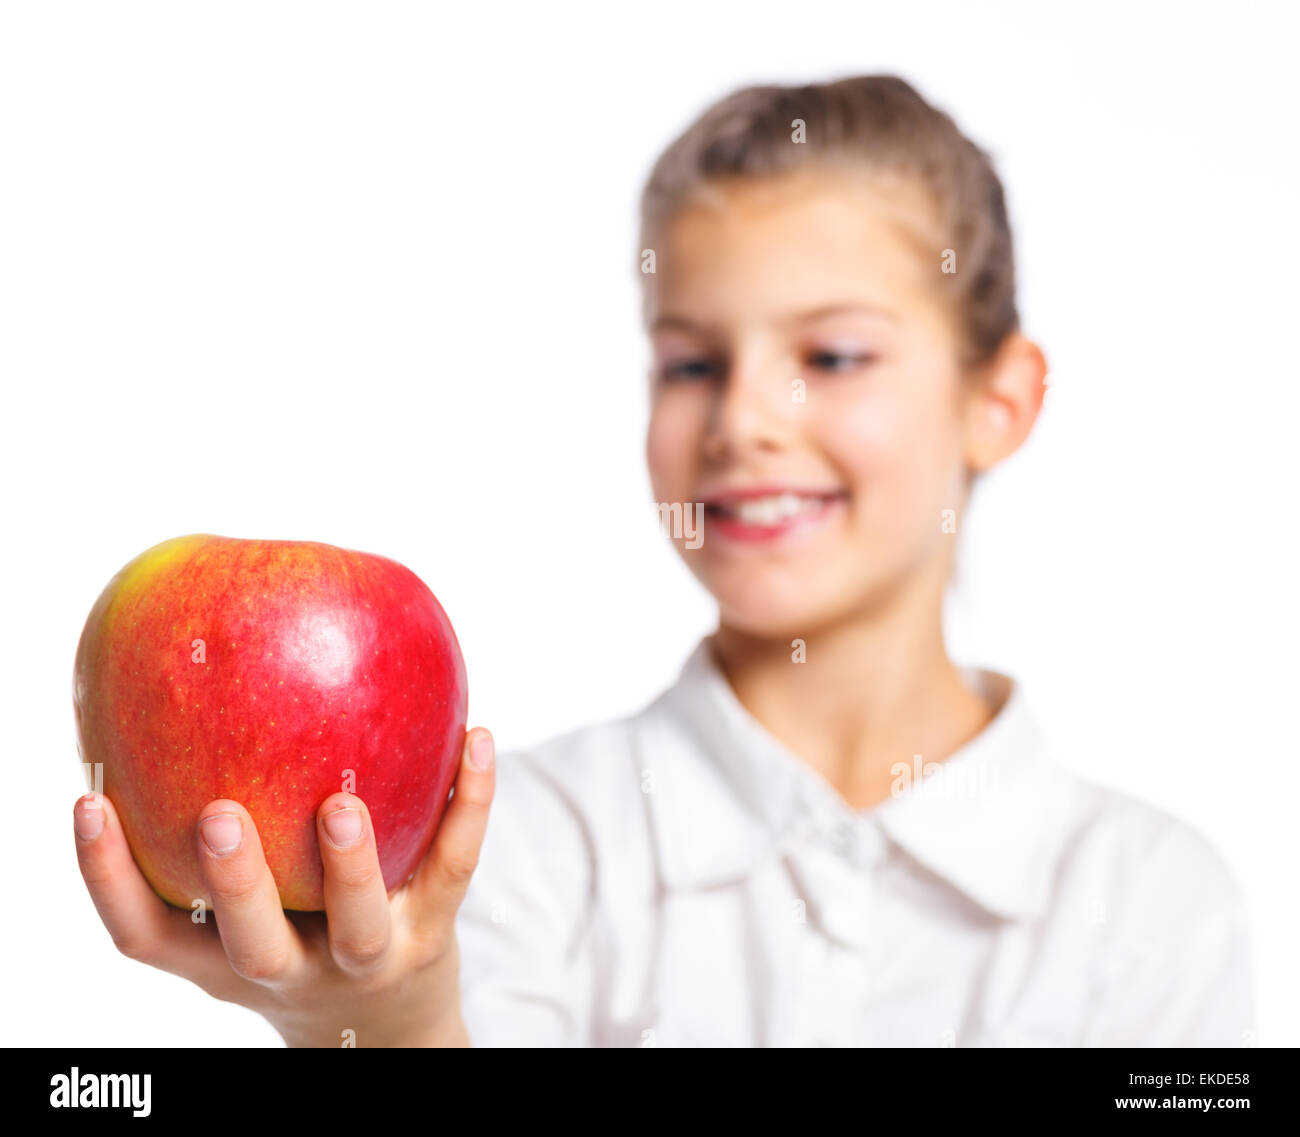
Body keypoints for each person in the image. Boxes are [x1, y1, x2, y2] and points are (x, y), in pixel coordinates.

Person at [73, 75, 1254, 1047]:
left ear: (999, 401)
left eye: (834, 356)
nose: (743, 420)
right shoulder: (509, 847)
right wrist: (385, 1022)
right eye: (690, 364)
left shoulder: (1150, 905)